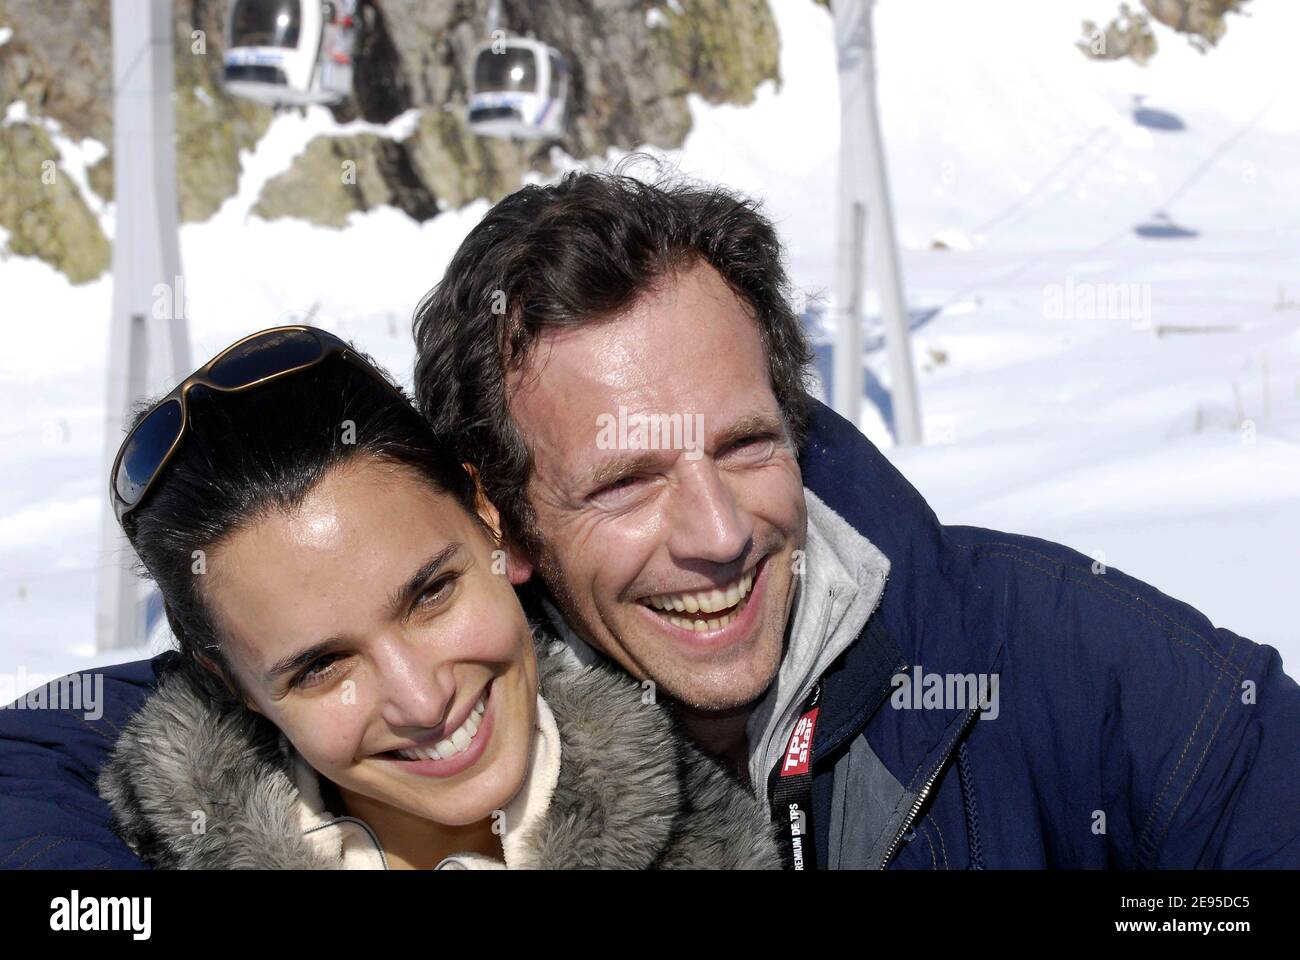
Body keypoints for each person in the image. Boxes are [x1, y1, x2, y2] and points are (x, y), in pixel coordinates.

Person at [407, 166, 1300, 868]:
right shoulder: (415, 771)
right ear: (506, 524)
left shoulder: (1053, 657)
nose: (719, 537)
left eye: (745, 446)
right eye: (628, 485)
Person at [90, 325, 778, 870]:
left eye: (430, 595)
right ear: (229, 683)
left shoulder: (717, 840)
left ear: (488, 518)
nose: (421, 701)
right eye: (321, 667)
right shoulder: (105, 849)